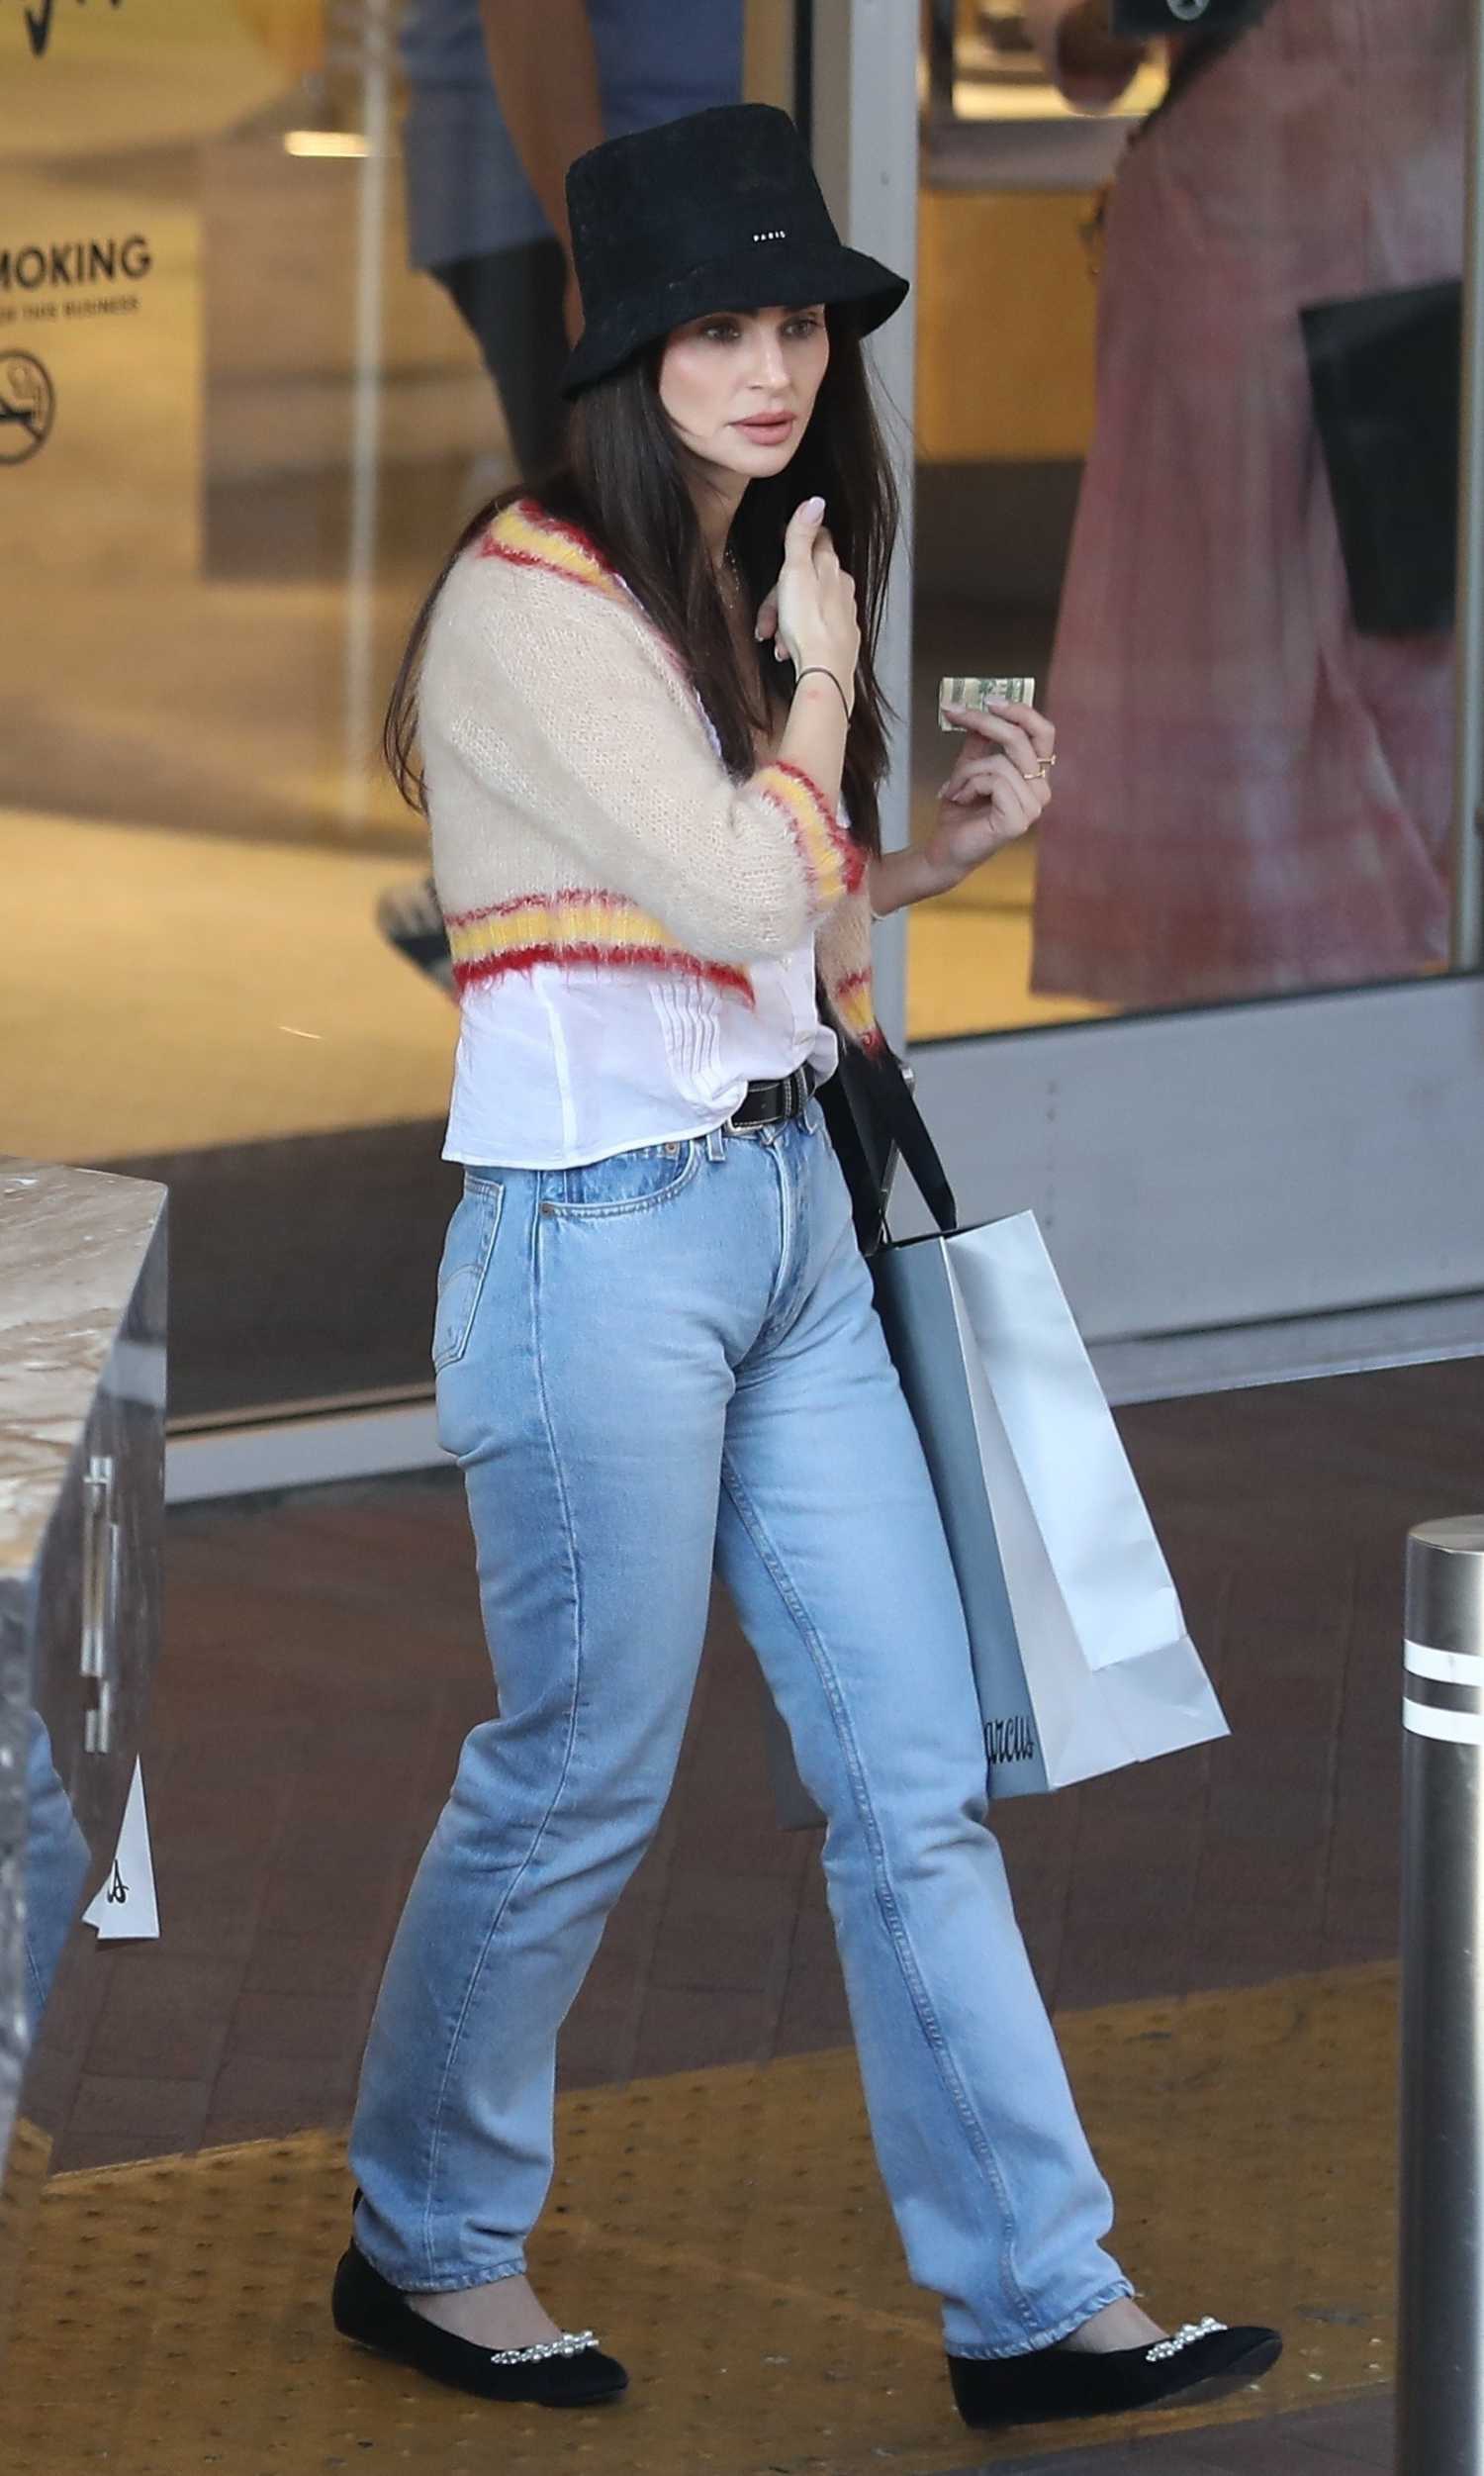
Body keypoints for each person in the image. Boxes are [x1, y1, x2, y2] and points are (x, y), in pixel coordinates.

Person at [330, 103, 1281, 2430]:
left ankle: (1038, 2299)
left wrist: (933, 848)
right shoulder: (528, 605)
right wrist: (839, 678)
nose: (768, 367)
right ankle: (422, 2240)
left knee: (910, 1774)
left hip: (784, 1229)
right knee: (578, 1773)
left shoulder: (729, 583)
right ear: (622, 353)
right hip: (595, 1254)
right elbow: (747, 889)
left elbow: (769, 934)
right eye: (717, 328)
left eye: (795, 324)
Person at [1025, 0, 1465, 1006]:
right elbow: (1073, 43)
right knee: (1242, 664)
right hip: (1223, 250)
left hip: (1432, 242)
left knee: (1424, 634)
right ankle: (1249, 1033)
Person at [381, 0, 745, 988]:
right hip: (582, 201)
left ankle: (538, 922)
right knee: (632, 596)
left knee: (669, 600)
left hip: (648, 195)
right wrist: (597, 247)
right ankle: (534, 935)